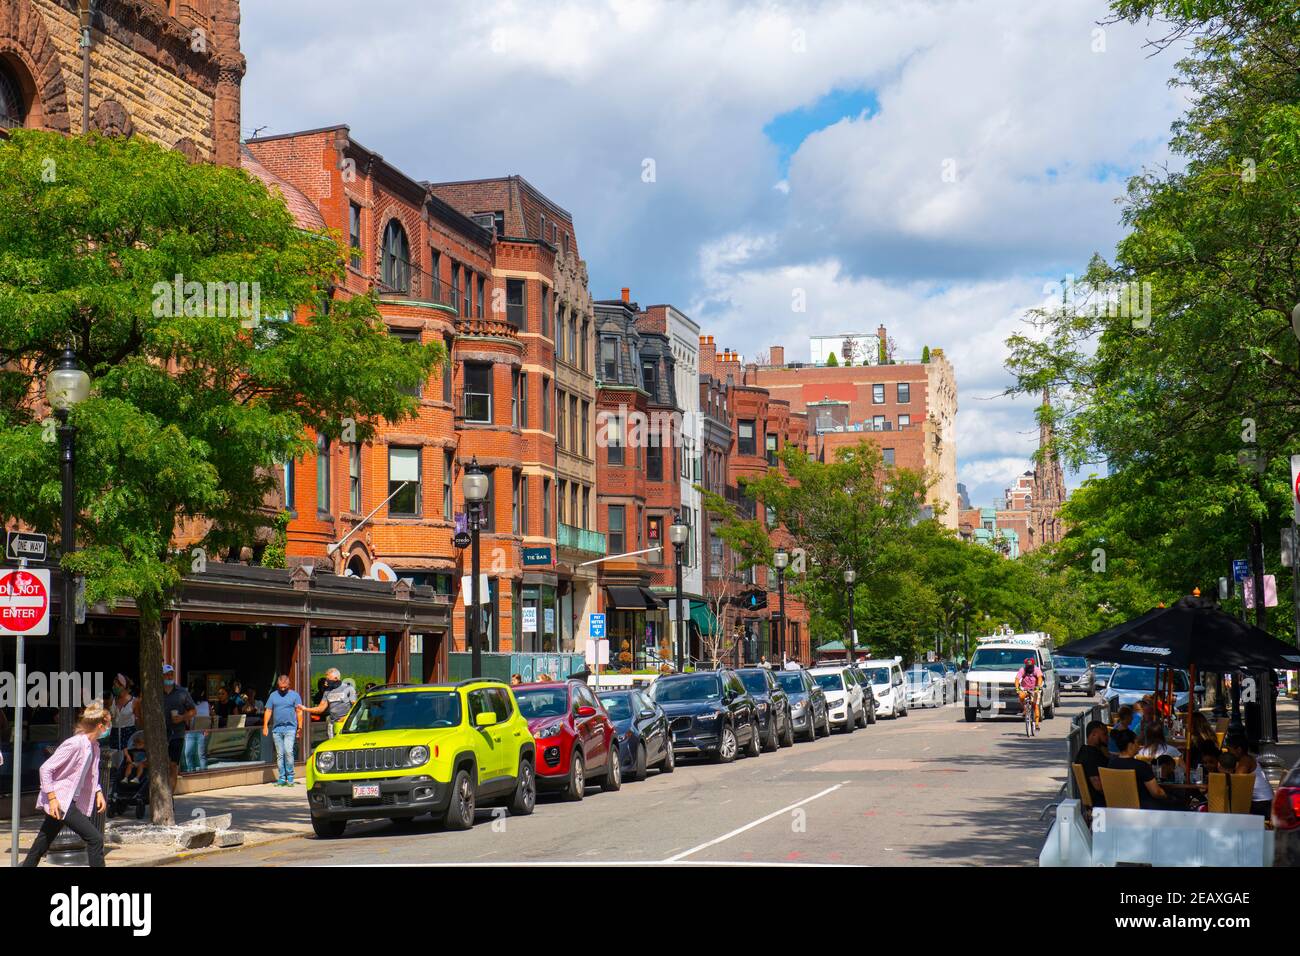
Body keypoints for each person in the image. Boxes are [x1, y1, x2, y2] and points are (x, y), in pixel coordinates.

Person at [22, 702, 110, 868]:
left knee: (43, 841)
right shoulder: (75, 744)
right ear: (100, 726)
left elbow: (91, 775)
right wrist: (52, 798)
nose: (109, 727)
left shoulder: (94, 746)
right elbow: (45, 768)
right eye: (108, 724)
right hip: (62, 801)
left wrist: (98, 792)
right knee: (95, 839)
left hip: (68, 800)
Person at [1109, 728, 1178, 810]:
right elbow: (1156, 792)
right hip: (1143, 809)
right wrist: (1168, 796)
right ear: (1130, 745)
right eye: (1137, 743)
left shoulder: (1111, 764)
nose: (1138, 746)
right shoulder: (1141, 766)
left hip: (1116, 808)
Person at [263, 674, 303, 786]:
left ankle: (290, 776)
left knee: (288, 751)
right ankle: (281, 777)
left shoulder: (295, 695)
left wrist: (300, 727)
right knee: (280, 754)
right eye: (281, 687)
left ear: (289, 685)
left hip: (290, 728)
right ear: (278, 685)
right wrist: (265, 725)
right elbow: (268, 711)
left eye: (285, 687)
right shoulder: (273, 696)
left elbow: (299, 711)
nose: (283, 689)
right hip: (277, 729)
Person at [162, 663, 196, 790]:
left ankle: (170, 798)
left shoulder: (182, 692)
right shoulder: (156, 693)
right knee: (161, 765)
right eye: (166, 674)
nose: (169, 676)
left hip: (177, 734)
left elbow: (193, 711)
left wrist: (182, 717)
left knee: (173, 765)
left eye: (171, 674)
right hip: (160, 735)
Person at [298, 668, 356, 738]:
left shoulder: (348, 688)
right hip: (332, 723)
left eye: (328, 679)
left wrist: (346, 718)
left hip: (346, 723)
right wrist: (305, 709)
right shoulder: (327, 691)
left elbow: (355, 707)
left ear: (336, 678)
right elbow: (321, 708)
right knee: (331, 745)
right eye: (326, 679)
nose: (326, 682)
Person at [1224, 733, 1273, 815]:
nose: (1229, 753)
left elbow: (1236, 782)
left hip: (1262, 804)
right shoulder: (1246, 759)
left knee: (1233, 806)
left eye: (1230, 750)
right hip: (1263, 802)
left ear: (1239, 749)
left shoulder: (1245, 761)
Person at [1076, 720, 1110, 807]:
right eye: (1104, 734)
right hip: (1103, 803)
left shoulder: (1087, 750)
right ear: (1094, 734)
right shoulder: (1090, 756)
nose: (1107, 737)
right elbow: (1098, 786)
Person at [1014, 656, 1043, 726]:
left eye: (1030, 665)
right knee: (1021, 696)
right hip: (1025, 688)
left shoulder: (1037, 670)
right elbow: (1017, 679)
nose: (1029, 667)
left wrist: (1038, 687)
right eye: (1028, 665)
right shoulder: (1022, 670)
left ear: (1033, 665)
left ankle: (1036, 723)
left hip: (1035, 689)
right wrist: (1017, 688)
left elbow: (1040, 678)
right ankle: (1024, 709)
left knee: (1035, 705)